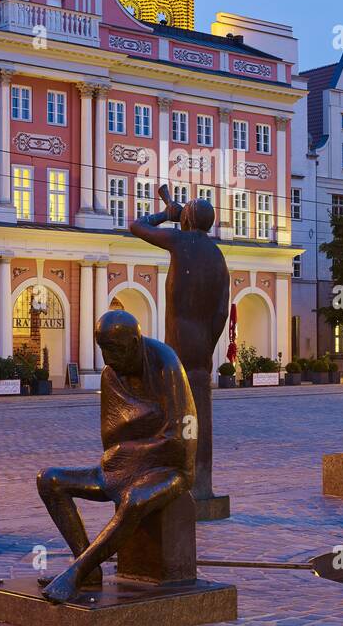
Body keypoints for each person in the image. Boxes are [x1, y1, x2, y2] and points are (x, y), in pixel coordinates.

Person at [36, 310, 195, 603]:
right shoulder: (112, 375)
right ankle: (91, 568)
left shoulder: (168, 367)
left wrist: (132, 451)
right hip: (121, 468)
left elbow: (183, 439)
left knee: (133, 501)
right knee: (49, 480)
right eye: (103, 350)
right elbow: (111, 439)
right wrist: (130, 451)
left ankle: (77, 571)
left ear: (135, 343)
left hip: (169, 471)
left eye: (115, 350)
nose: (108, 360)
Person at [129, 192, 229, 504]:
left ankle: (177, 482)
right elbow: (222, 312)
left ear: (185, 219)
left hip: (178, 342)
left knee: (175, 413)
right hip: (202, 347)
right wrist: (210, 344)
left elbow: (136, 225)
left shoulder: (179, 241)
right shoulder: (217, 256)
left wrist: (164, 213)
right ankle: (202, 484)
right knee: (200, 416)